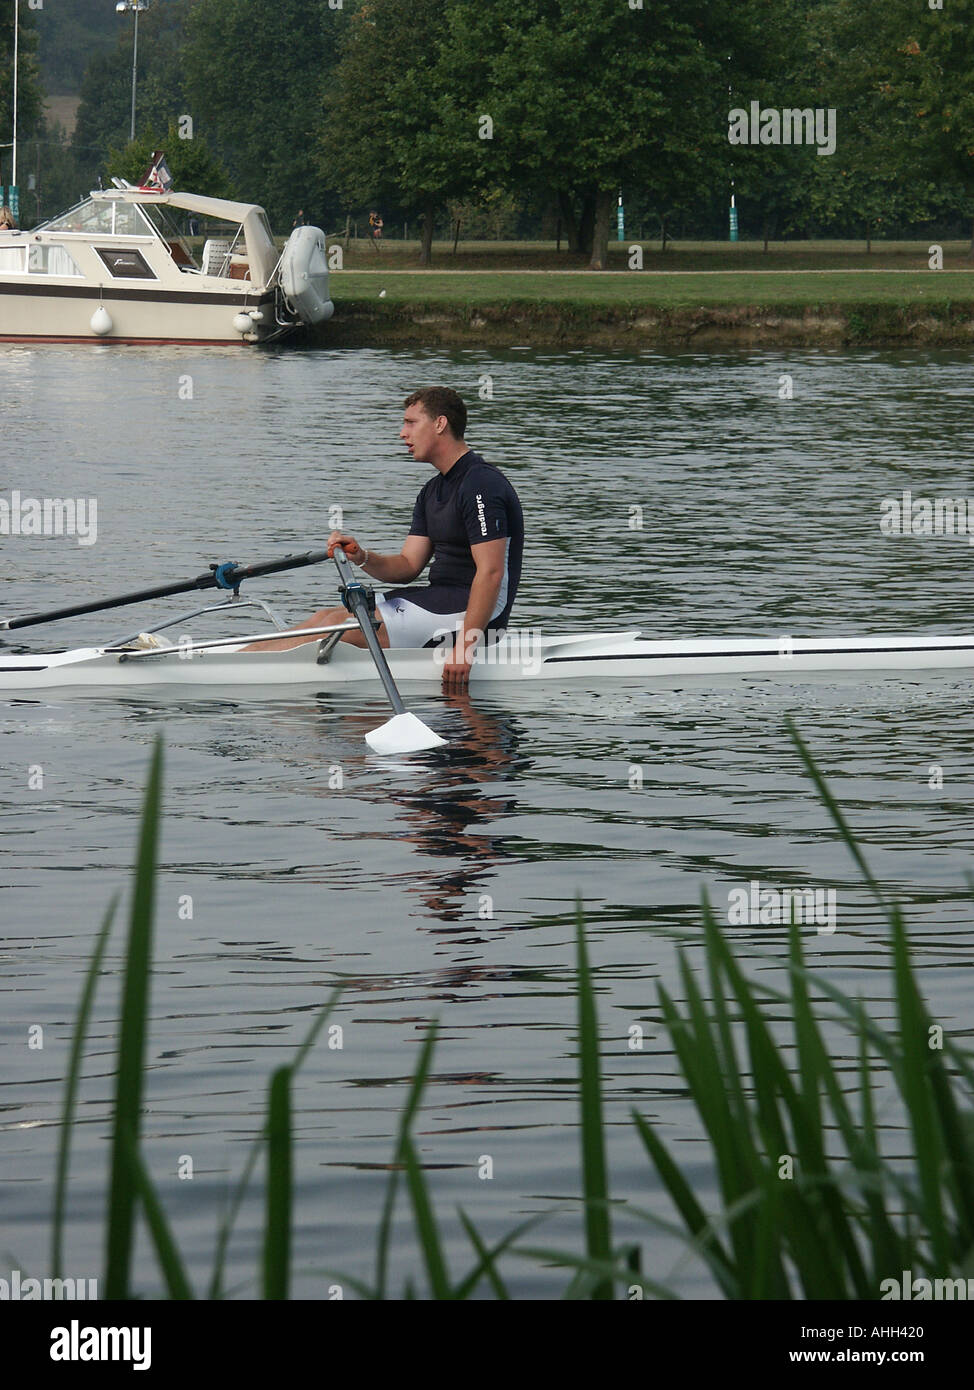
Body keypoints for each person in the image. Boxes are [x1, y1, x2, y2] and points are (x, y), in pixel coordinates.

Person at [250, 387, 524, 692]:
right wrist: (362, 555)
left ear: (440, 424)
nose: (402, 433)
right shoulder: (432, 491)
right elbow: (407, 566)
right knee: (324, 618)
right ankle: (227, 659)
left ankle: (235, 674)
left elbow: (491, 572)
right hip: (438, 601)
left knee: (333, 631)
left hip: (476, 613)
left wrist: (465, 647)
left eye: (410, 423)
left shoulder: (481, 484)